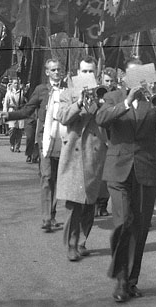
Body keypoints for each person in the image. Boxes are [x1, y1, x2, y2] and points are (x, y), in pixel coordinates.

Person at [95, 61, 156, 303]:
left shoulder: (153, 101)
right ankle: (121, 279)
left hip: (145, 170)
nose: (139, 80)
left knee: (140, 227)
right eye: (134, 75)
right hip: (119, 170)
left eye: (142, 75)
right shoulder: (112, 97)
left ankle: (131, 280)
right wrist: (126, 102)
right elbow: (101, 118)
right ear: (124, 77)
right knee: (123, 223)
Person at [54, 57, 108, 261]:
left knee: (89, 203)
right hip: (74, 155)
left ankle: (82, 240)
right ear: (78, 72)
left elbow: (107, 119)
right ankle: (70, 243)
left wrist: (99, 102)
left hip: (94, 154)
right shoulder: (68, 93)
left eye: (91, 72)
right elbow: (63, 116)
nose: (87, 76)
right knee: (73, 204)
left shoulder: (102, 94)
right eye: (84, 72)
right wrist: (78, 102)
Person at [6, 60, 67, 232]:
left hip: (63, 140)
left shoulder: (68, 90)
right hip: (46, 140)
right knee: (47, 176)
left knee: (56, 178)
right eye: (53, 70)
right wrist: (7, 116)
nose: (57, 72)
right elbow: (26, 110)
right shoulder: (41, 90)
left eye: (59, 69)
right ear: (47, 72)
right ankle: (46, 217)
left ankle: (52, 213)